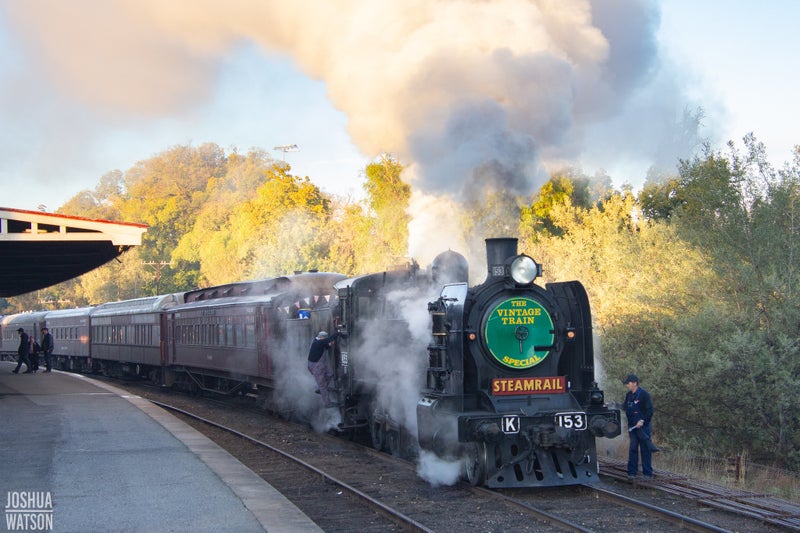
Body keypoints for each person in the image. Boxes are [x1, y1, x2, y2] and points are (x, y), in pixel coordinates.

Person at [623, 374, 658, 479]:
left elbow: (650, 411)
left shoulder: (644, 395)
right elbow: (625, 407)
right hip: (632, 427)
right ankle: (631, 472)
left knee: (645, 449)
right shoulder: (628, 395)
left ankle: (647, 473)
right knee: (633, 449)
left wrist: (642, 421)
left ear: (634, 383)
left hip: (643, 427)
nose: (627, 385)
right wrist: (613, 405)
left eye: (628, 383)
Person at [307, 330, 339, 408]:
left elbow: (325, 346)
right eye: (325, 338)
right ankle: (328, 404)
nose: (325, 340)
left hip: (319, 365)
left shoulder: (317, 341)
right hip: (316, 366)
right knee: (322, 386)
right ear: (321, 337)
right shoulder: (317, 342)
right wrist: (338, 333)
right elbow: (327, 341)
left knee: (330, 373)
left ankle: (320, 389)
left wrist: (330, 345)